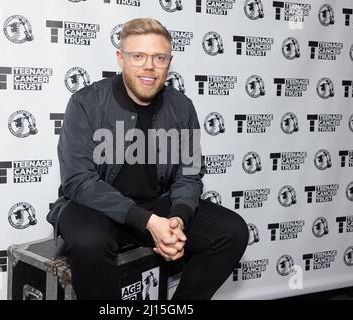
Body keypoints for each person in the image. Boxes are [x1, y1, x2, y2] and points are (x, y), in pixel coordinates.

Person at [47, 17, 248, 300]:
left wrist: (177, 218)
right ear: (121, 58)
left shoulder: (183, 107)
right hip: (95, 207)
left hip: (157, 205)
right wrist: (150, 222)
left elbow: (189, 174)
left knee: (232, 231)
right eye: (138, 56)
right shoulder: (86, 102)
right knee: (89, 241)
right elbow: (78, 181)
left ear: (169, 61)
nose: (149, 67)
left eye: (159, 57)